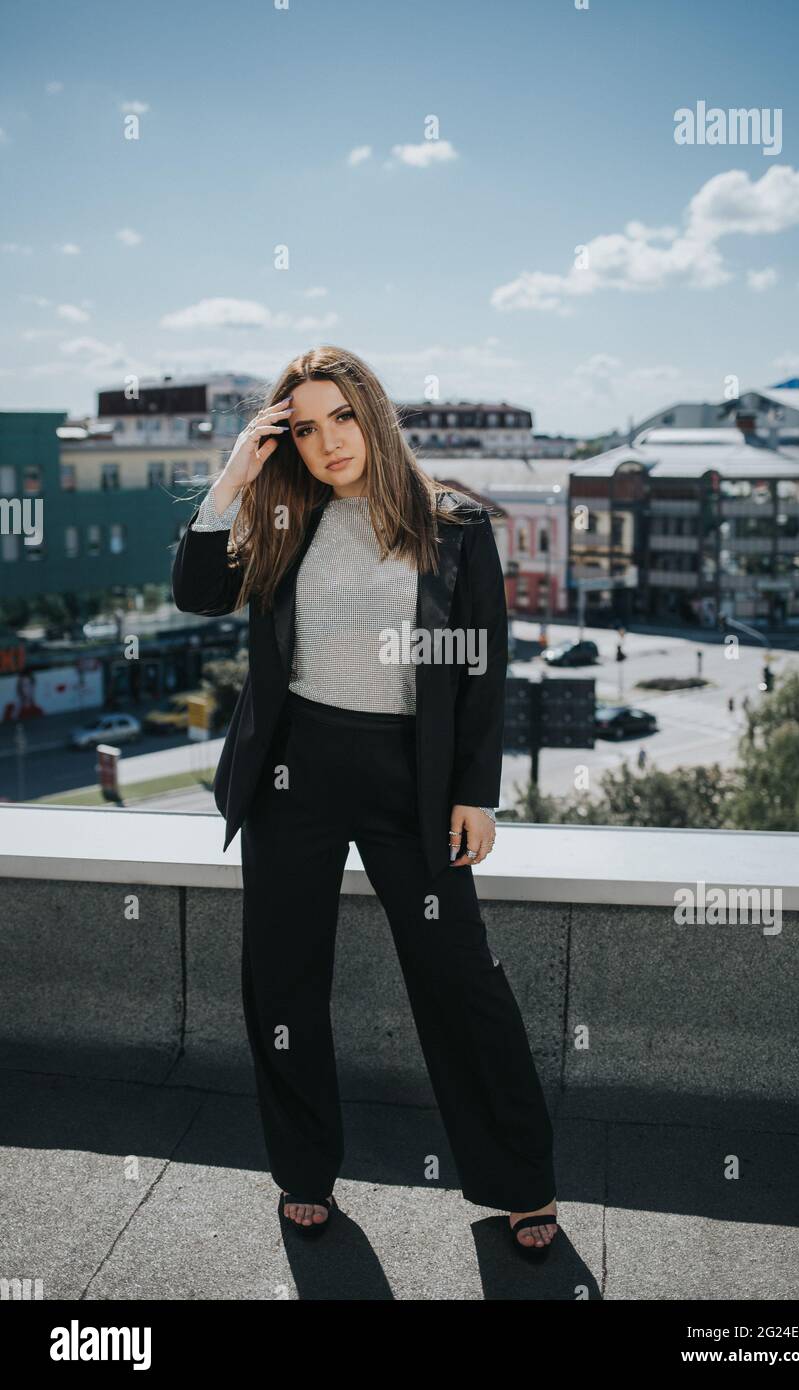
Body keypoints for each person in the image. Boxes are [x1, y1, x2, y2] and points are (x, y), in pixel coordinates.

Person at [171, 346, 558, 1257]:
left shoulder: (453, 525)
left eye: (340, 417)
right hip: (292, 773)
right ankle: (304, 1171)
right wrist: (235, 474)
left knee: (461, 979)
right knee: (285, 979)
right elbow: (194, 593)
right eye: (303, 428)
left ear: (373, 414)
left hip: (408, 784)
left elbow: (480, 670)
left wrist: (476, 794)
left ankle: (519, 1179)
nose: (326, 441)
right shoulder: (281, 514)